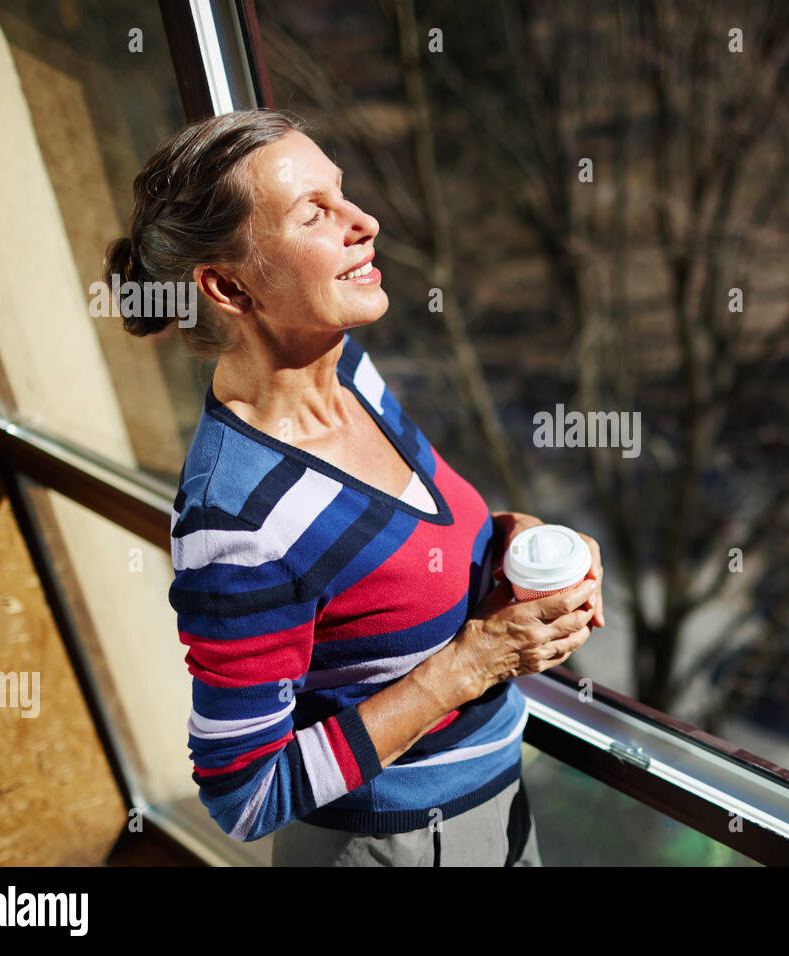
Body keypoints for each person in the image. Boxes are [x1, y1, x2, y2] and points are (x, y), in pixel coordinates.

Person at [104, 108, 604, 866]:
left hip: (492, 803)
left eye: (344, 195)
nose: (365, 221)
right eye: (315, 213)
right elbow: (245, 798)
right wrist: (472, 664)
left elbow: (404, 550)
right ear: (227, 285)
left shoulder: (352, 377)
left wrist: (523, 542)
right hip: (393, 848)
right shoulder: (236, 520)